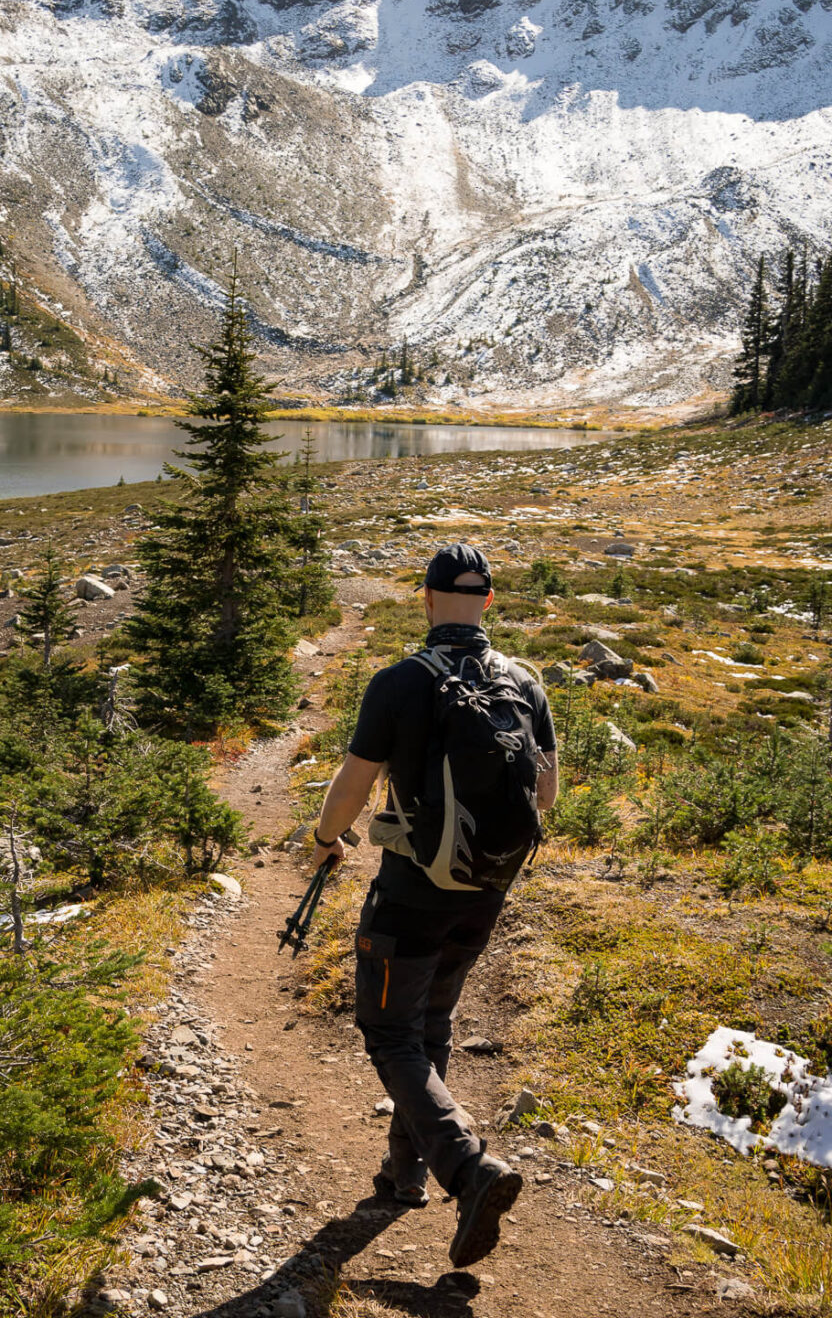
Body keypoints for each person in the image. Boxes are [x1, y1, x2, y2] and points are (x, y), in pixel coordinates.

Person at [311, 543, 558, 1268]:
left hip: (412, 894)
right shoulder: (525, 681)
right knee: (432, 1023)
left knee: (390, 1032)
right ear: (487, 600)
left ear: (425, 600)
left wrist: (326, 837)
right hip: (485, 892)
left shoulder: (399, 682)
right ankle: (404, 1176)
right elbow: (544, 796)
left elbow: (356, 784)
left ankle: (466, 1167)